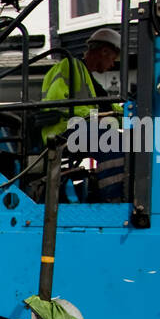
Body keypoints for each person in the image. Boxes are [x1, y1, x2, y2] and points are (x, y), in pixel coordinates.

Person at [40, 27, 126, 200]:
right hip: (63, 131)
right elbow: (58, 103)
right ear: (104, 51)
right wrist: (101, 117)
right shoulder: (69, 66)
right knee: (115, 143)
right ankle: (115, 200)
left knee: (133, 142)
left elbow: (110, 109)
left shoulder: (90, 80)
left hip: (81, 128)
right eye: (113, 58)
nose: (113, 64)